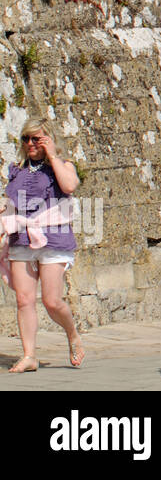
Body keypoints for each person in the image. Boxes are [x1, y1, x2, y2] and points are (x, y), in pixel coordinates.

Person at [1, 121, 83, 373]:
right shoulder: (16, 170)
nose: (30, 144)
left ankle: (72, 334)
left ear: (48, 139)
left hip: (53, 237)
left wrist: (53, 155)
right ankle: (29, 356)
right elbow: (10, 201)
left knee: (51, 301)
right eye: (26, 138)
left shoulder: (63, 165)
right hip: (22, 237)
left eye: (37, 139)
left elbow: (69, 186)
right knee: (24, 300)